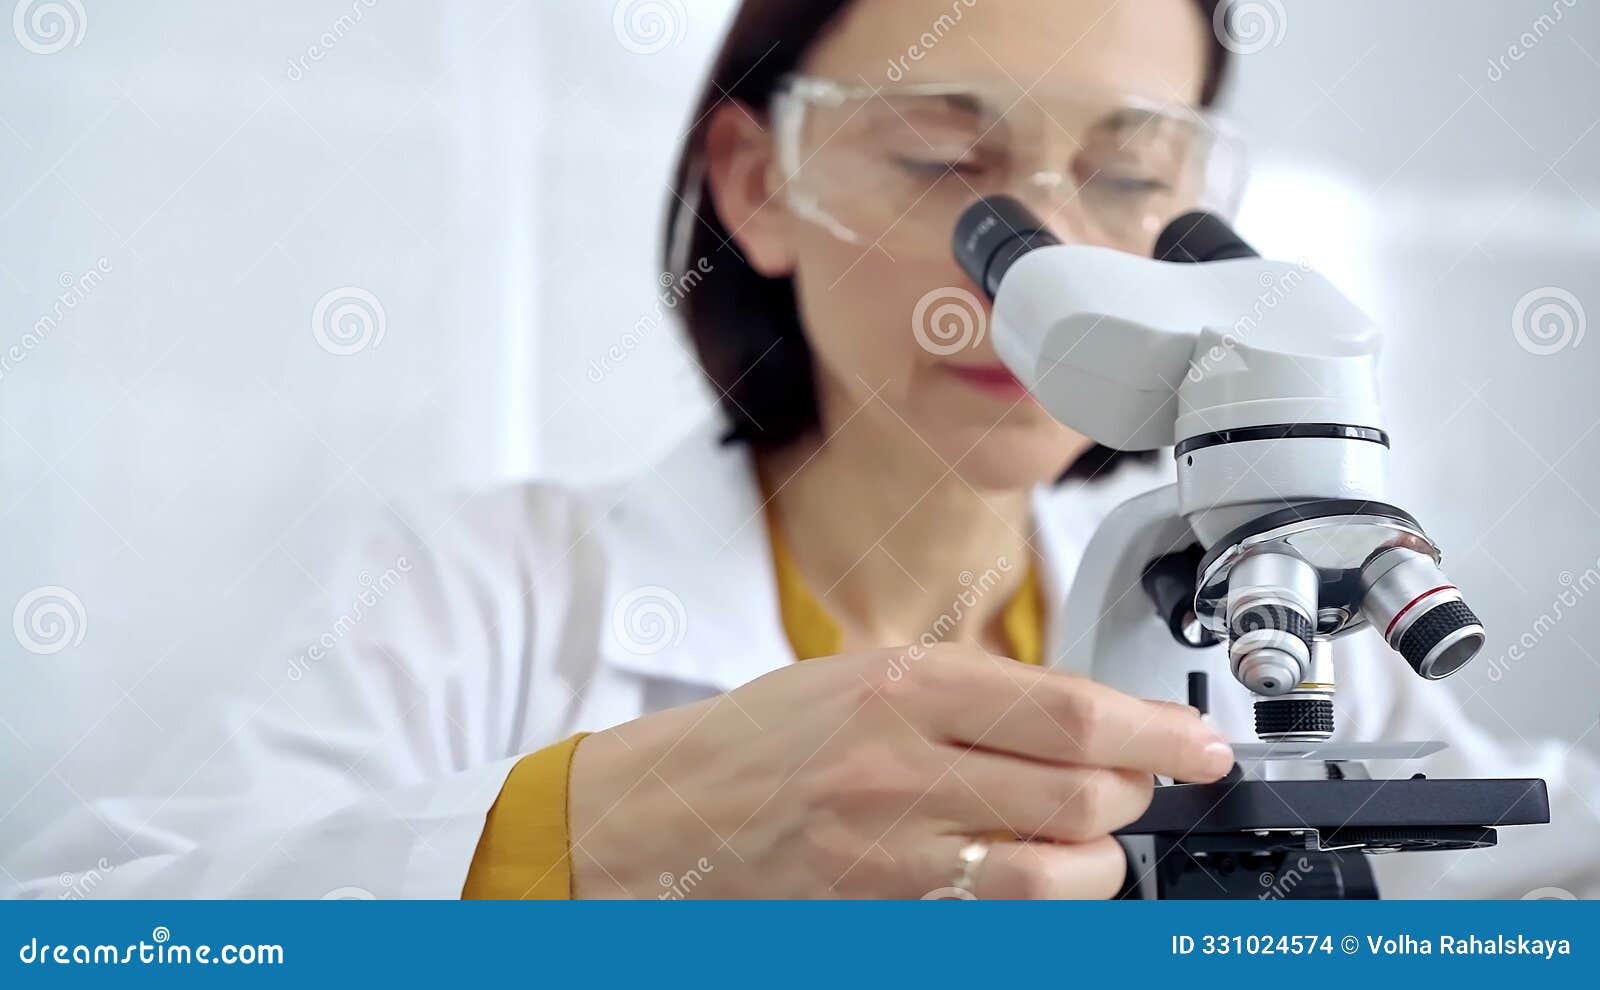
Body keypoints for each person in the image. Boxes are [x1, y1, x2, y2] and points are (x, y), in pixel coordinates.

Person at [16, 0, 1600, 900]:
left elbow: (1538, 834)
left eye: (1134, 181)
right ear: (755, 183)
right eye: (943, 160)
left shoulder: (1245, 582)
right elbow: (86, 931)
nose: (1050, 265)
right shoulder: (483, 592)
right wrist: (597, 822)